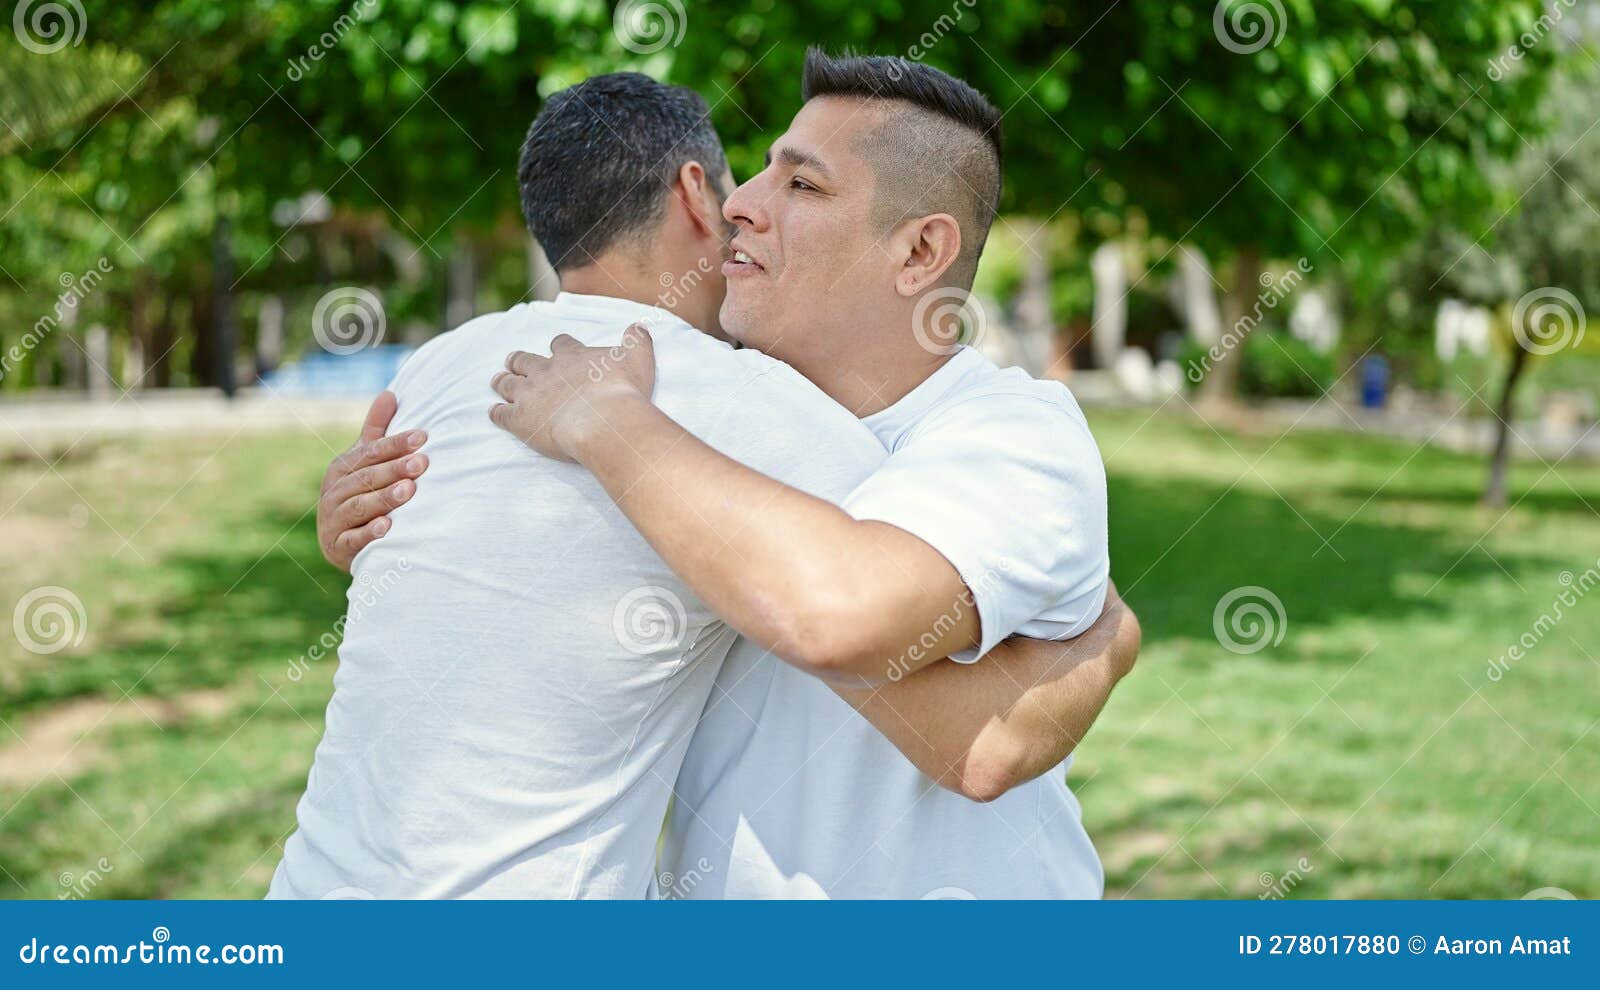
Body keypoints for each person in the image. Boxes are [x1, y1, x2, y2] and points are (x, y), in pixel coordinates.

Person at [312, 58, 1139, 899]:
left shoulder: (1010, 434)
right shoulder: (711, 402)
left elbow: (973, 739)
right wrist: (383, 523)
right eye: (761, 170)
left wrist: (605, 420)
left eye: (803, 184)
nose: (739, 202)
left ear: (921, 250)